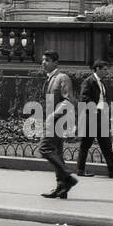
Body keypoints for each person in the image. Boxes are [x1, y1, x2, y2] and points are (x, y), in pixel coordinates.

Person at [37, 50, 78, 198]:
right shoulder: (49, 79)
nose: (43, 62)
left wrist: (54, 115)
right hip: (52, 121)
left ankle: (67, 177)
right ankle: (61, 187)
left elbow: (69, 100)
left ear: (56, 62)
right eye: (43, 60)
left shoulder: (62, 77)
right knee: (57, 154)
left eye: (47, 60)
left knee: (44, 148)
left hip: (57, 121)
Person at [77, 59, 113, 178]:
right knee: (85, 145)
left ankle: (112, 170)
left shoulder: (101, 83)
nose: (107, 72)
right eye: (105, 69)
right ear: (97, 69)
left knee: (106, 144)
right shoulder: (89, 81)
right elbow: (83, 98)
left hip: (101, 117)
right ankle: (80, 170)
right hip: (91, 117)